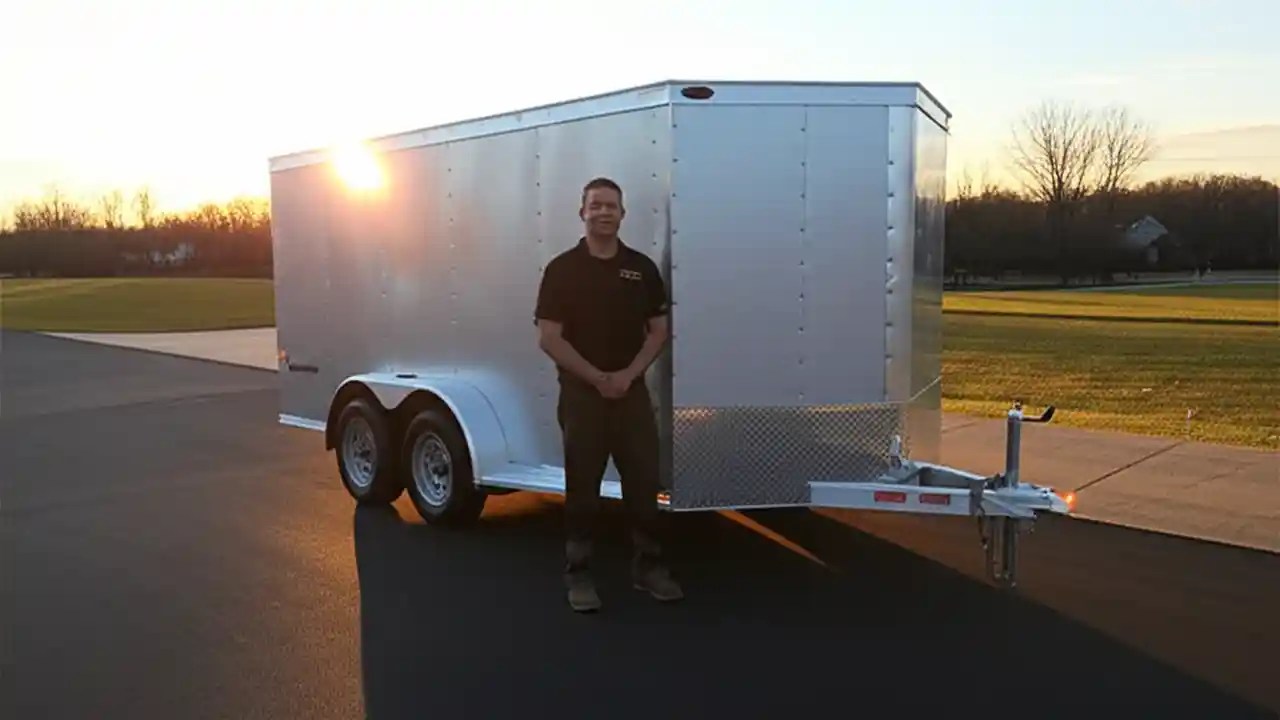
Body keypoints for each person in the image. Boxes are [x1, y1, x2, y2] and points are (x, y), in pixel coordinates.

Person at [534, 176, 684, 612]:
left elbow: (658, 331)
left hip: (631, 394)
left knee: (643, 484)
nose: (603, 212)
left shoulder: (641, 269)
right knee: (583, 489)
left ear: (623, 214)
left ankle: (649, 567)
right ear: (582, 212)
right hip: (583, 397)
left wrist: (627, 375)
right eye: (595, 205)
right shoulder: (562, 270)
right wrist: (599, 378)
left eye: (611, 206)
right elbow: (549, 338)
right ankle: (578, 573)